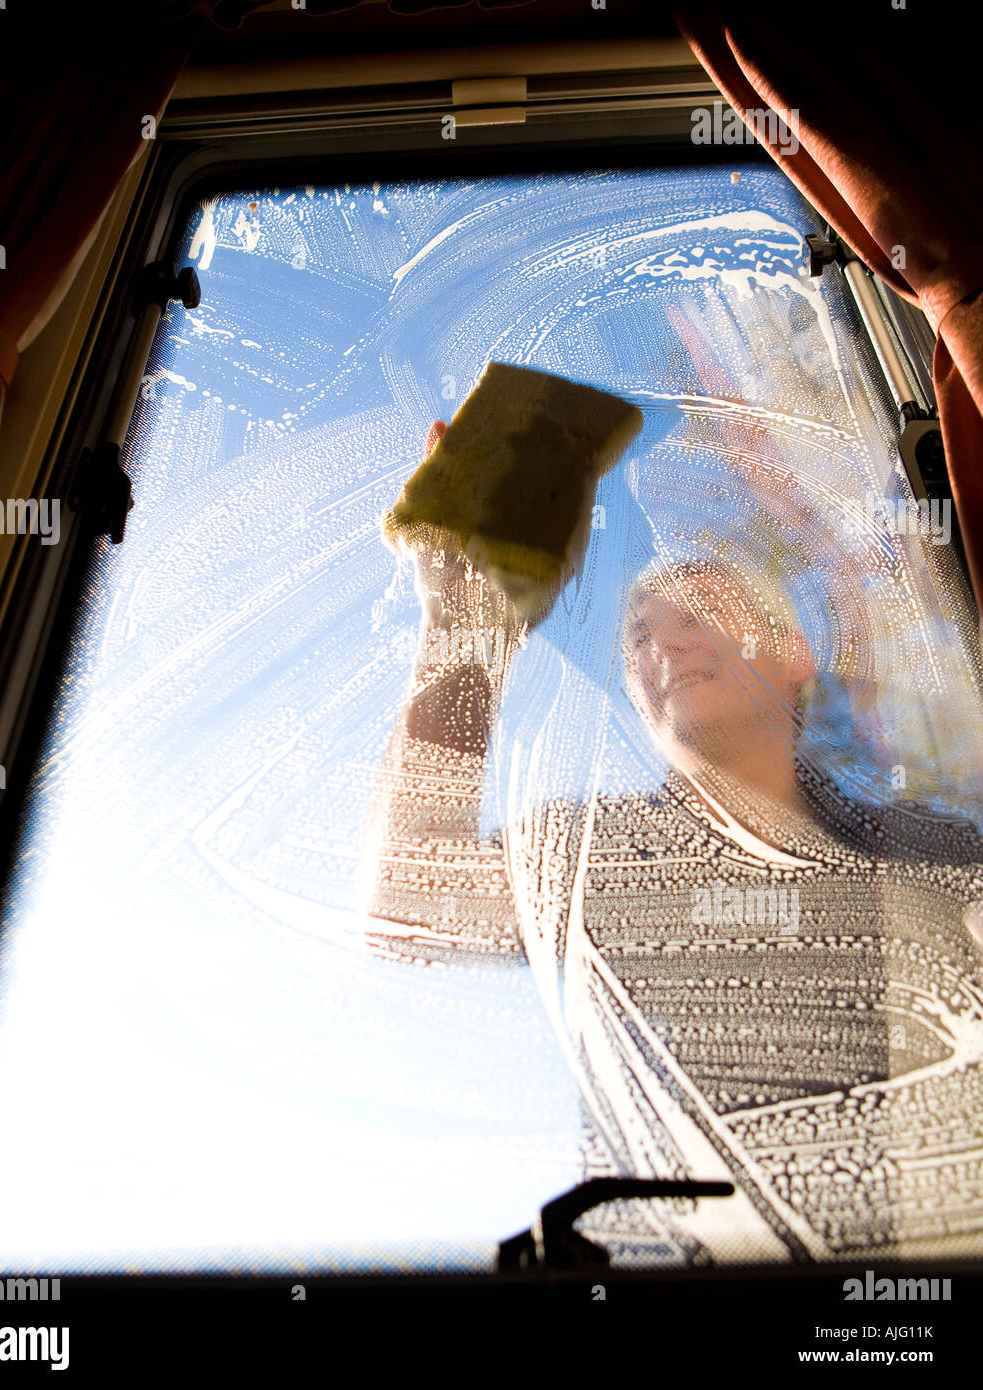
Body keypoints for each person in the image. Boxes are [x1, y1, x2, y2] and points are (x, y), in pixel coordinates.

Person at [362, 419, 983, 1266]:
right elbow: (408, 905)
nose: (663, 641)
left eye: (700, 612)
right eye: (638, 635)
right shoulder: (582, 861)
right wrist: (467, 622)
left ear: (795, 652)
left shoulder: (936, 854)